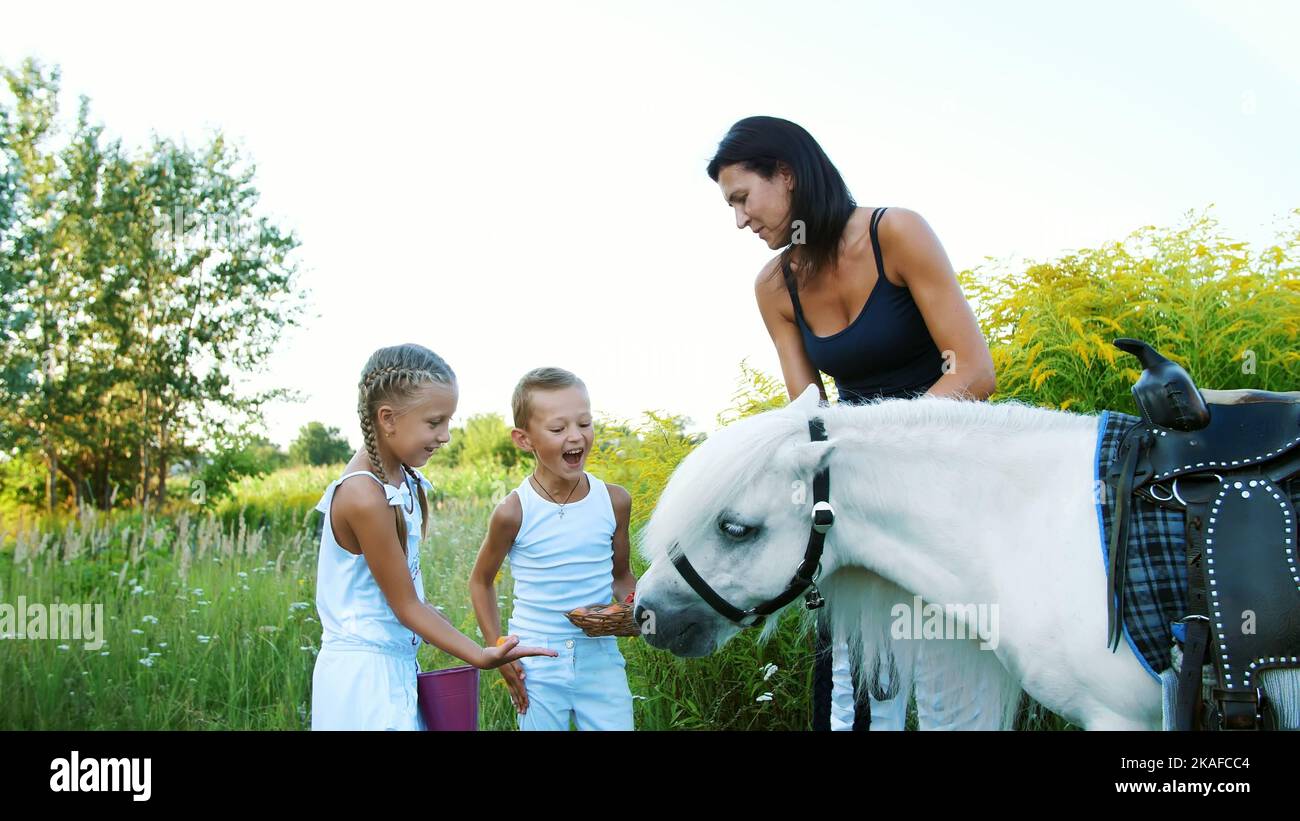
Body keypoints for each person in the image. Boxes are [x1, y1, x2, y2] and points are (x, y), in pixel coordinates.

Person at [707, 116, 997, 730]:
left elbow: (972, 373)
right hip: (863, 502)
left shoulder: (897, 233)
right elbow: (807, 413)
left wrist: (871, 451)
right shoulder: (774, 287)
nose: (740, 220)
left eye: (741, 198)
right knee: (859, 700)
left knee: (952, 702)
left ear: (784, 174)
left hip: (947, 485)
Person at [311, 343, 556, 730]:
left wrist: (473, 639)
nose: (445, 436)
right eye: (434, 422)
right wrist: (480, 654)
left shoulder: (398, 478)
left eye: (448, 422)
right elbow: (406, 606)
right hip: (362, 682)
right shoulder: (363, 495)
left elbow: (410, 599)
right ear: (387, 419)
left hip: (393, 668)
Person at [469, 367, 637, 730]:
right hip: (536, 662)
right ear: (524, 439)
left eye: (584, 423)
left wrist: (633, 611)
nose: (576, 437)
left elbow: (622, 577)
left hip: (600, 658)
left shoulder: (615, 501)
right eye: (558, 429)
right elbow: (481, 581)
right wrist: (499, 647)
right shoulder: (513, 511)